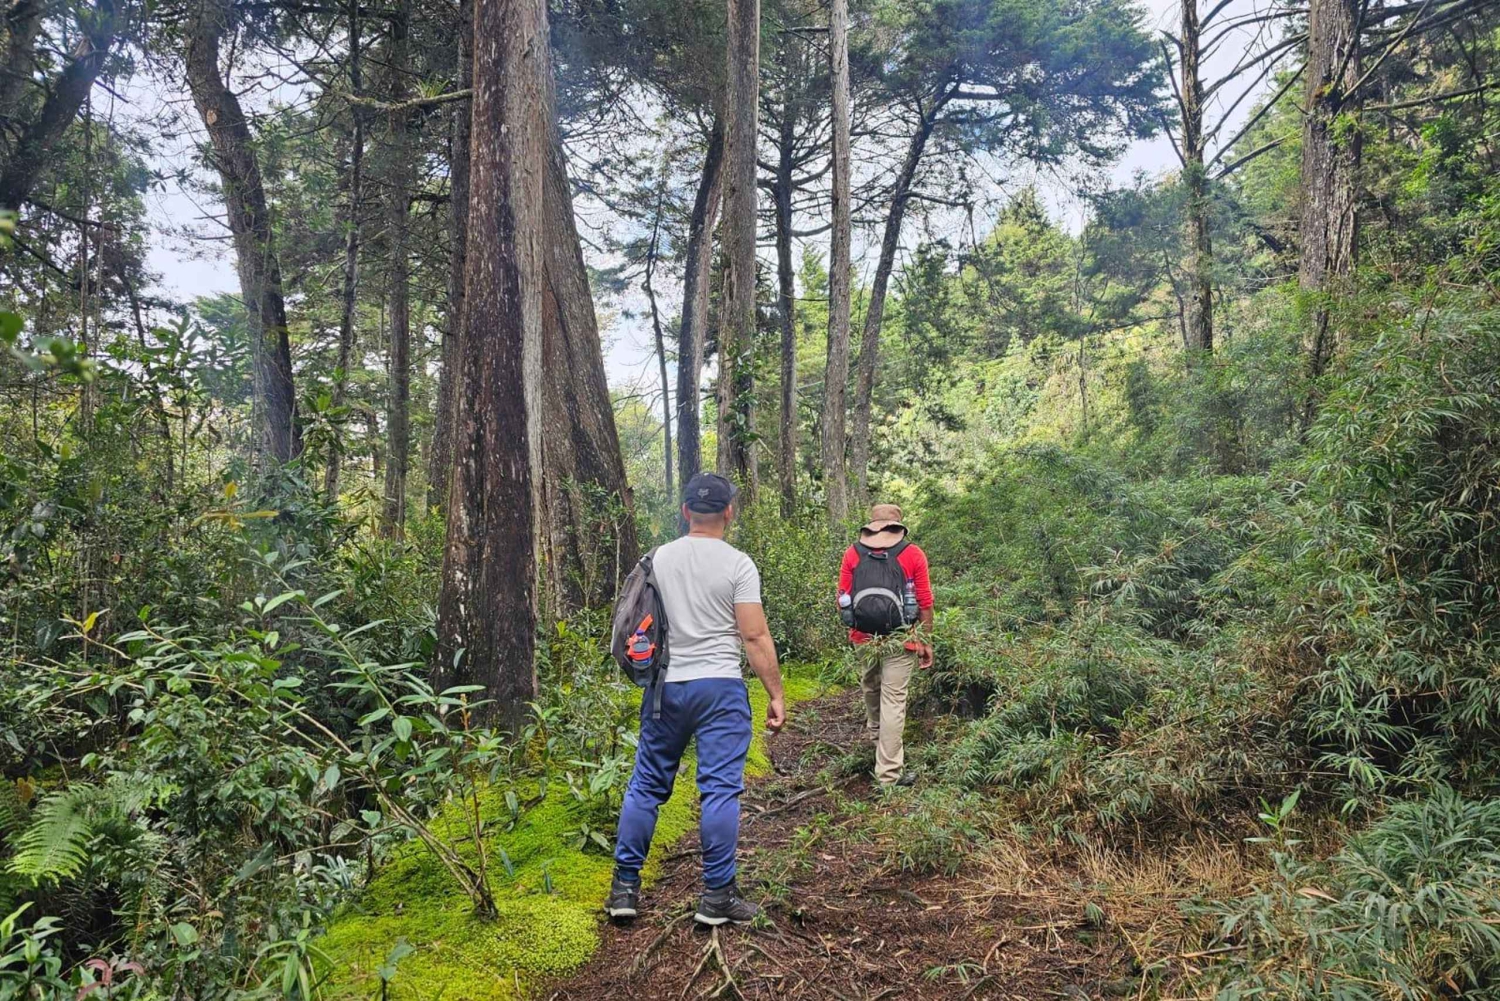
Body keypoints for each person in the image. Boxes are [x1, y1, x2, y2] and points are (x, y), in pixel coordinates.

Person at [605, 472, 787, 926]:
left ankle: (625, 889)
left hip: (665, 689)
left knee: (646, 785)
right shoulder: (738, 565)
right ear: (729, 512)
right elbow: (754, 635)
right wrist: (775, 694)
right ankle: (717, 897)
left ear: (686, 511)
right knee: (719, 790)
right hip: (721, 689)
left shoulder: (657, 559)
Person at [838, 503, 934, 788]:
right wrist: (925, 641)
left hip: (863, 638)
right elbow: (925, 602)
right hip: (902, 638)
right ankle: (889, 775)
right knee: (893, 701)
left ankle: (878, 741)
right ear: (899, 527)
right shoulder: (912, 553)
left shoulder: (853, 553)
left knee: (871, 688)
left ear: (872, 525)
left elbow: (843, 597)